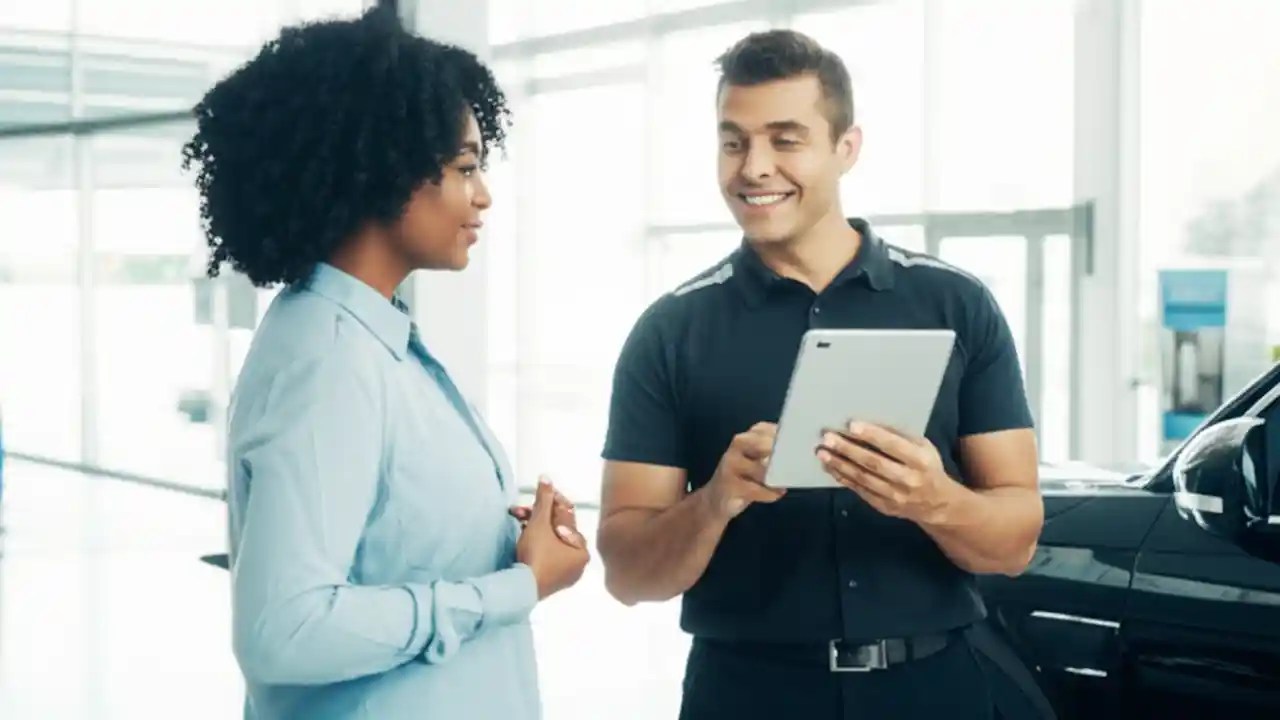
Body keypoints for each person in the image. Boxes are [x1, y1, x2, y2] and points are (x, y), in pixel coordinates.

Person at [597, 30, 1052, 719]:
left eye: (785, 140)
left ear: (847, 148)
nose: (754, 167)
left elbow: (1016, 540)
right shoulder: (670, 332)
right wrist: (716, 499)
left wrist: (933, 499)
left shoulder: (956, 306)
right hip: (747, 695)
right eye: (732, 142)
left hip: (934, 691)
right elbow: (628, 574)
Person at [181, 9, 588, 720]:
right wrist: (517, 588)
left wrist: (503, 543)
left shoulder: (372, 339)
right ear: (384, 171)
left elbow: (382, 548)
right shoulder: (330, 357)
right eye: (465, 168)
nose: (483, 194)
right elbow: (286, 632)